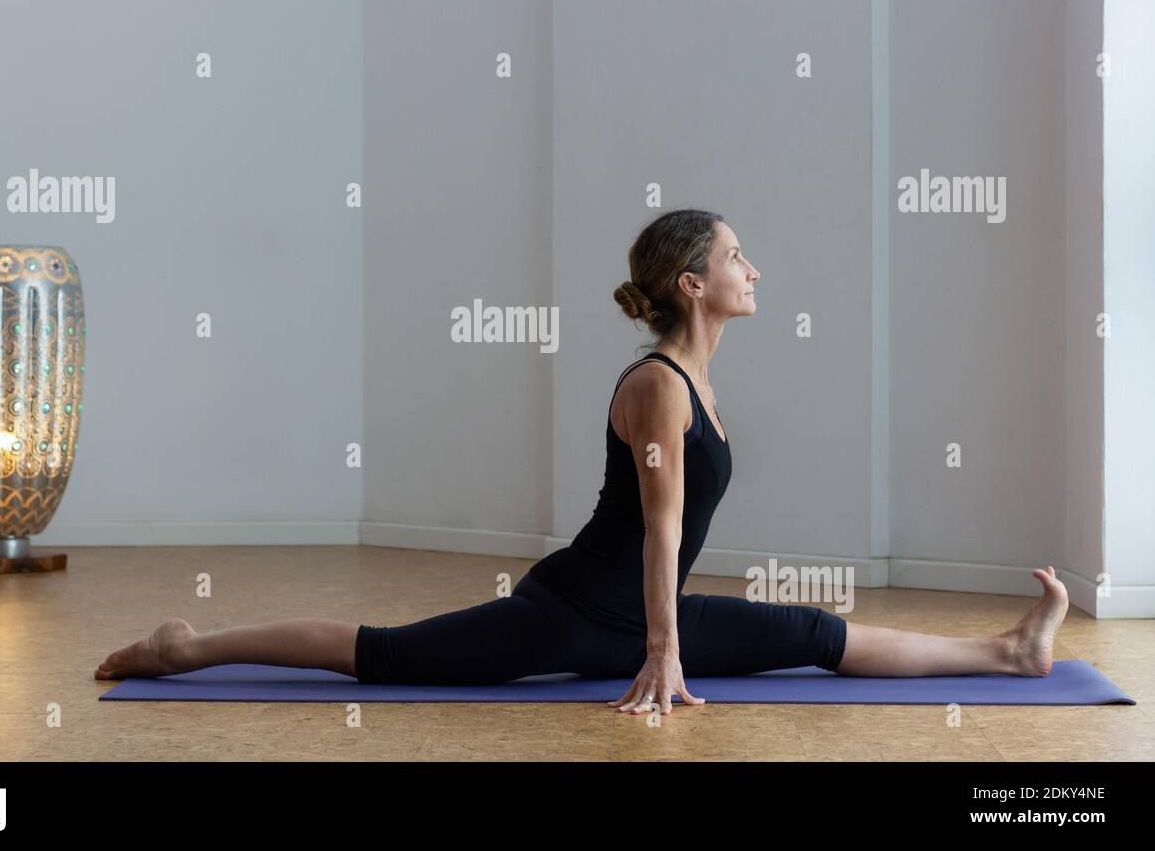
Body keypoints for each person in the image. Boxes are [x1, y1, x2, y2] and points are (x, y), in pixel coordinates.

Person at [95, 208, 1070, 716]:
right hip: (570, 613)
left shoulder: (700, 382)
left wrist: (666, 636)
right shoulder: (655, 387)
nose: (752, 269)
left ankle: (1009, 652)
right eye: (737, 256)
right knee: (389, 655)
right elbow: (659, 526)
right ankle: (185, 646)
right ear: (694, 282)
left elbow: (670, 544)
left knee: (814, 629)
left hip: (646, 615)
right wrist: (662, 652)